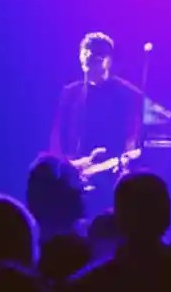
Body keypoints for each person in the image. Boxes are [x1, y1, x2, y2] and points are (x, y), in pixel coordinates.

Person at [49, 32, 143, 213]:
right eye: (85, 52)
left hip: (111, 175)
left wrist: (119, 164)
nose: (89, 57)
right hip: (76, 172)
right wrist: (65, 164)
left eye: (96, 55)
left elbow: (134, 136)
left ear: (109, 60)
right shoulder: (70, 92)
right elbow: (57, 132)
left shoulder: (128, 94)